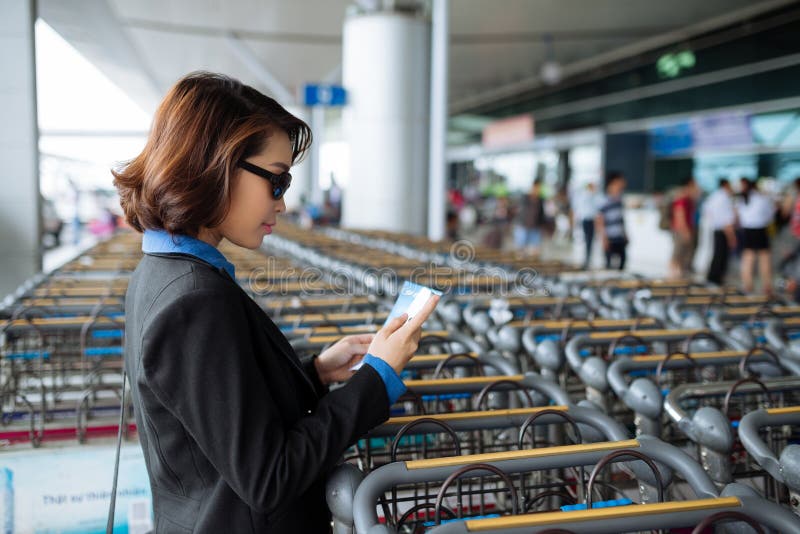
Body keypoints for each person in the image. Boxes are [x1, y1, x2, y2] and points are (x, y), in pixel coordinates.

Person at [112, 72, 439, 533]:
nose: (283, 203)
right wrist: (376, 378)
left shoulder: (160, 273)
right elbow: (269, 478)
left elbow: (215, 419)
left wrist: (315, 372)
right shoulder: (194, 300)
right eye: (277, 181)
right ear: (216, 165)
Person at [736, 177, 776, 295]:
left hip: (747, 231)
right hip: (759, 230)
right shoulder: (761, 198)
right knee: (764, 258)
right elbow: (770, 216)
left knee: (748, 258)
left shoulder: (742, 199)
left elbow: (739, 216)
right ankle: (767, 286)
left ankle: (747, 285)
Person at [703, 179, 737, 285]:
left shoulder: (714, 196)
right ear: (726, 185)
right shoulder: (724, 198)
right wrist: (732, 237)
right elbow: (727, 221)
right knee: (721, 257)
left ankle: (712, 278)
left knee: (717, 255)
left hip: (716, 229)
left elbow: (707, 210)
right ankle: (716, 280)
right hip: (724, 230)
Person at [669, 176, 701, 278]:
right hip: (681, 229)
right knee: (678, 253)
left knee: (684, 253)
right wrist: (685, 230)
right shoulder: (681, 197)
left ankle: (680, 274)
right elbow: (679, 214)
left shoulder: (689, 198)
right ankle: (673, 276)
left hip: (686, 228)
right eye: (695, 184)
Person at [596, 171, 628, 270]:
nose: (623, 183)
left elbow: (621, 220)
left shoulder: (619, 200)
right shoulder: (603, 200)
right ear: (613, 182)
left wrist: (625, 234)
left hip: (620, 237)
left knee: (622, 264)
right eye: (620, 181)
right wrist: (604, 238)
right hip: (609, 238)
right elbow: (599, 221)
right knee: (609, 266)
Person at [571, 181, 601, 269]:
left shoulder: (583, 196)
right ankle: (587, 259)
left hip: (586, 220)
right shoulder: (590, 196)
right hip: (588, 220)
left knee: (588, 240)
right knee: (588, 240)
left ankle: (587, 259)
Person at [513, 178, 546, 256]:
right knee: (520, 250)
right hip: (523, 226)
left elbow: (541, 214)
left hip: (535, 227)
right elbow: (521, 212)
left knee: (535, 251)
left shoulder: (540, 200)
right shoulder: (525, 198)